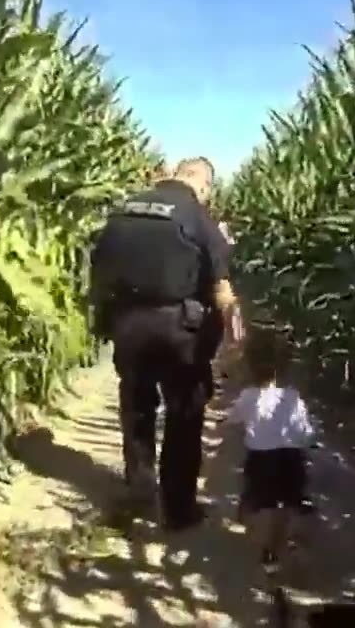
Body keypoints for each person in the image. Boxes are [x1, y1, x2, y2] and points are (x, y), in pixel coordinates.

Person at [89, 156, 242, 530]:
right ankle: (178, 508)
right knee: (184, 414)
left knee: (137, 405)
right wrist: (237, 332)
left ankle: (140, 488)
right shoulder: (197, 216)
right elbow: (221, 287)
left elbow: (98, 268)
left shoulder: (125, 209)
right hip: (179, 329)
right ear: (203, 185)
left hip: (127, 324)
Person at [219, 328, 316, 574]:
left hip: (262, 459)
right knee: (291, 501)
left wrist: (225, 423)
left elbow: (231, 420)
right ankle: (291, 542)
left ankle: (269, 552)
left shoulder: (248, 396)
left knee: (263, 503)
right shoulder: (293, 397)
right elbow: (306, 432)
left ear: (250, 367)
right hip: (292, 457)